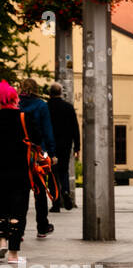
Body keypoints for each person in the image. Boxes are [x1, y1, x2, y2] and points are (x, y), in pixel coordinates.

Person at [17, 78, 56, 238]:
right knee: (40, 190)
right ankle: (42, 226)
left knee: (20, 192)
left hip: (19, 154)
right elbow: (47, 131)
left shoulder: (15, 105)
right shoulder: (41, 105)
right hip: (36, 154)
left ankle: (18, 229)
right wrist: (52, 153)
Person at [0, 82, 32, 263]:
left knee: (1, 208)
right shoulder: (23, 118)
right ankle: (13, 254)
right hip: (20, 172)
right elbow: (35, 140)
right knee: (18, 211)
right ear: (14, 98)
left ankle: (1, 241)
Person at [47, 82, 80, 211]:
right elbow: (75, 128)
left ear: (50, 93)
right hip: (66, 145)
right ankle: (65, 191)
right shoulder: (68, 107)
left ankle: (55, 203)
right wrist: (77, 147)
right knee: (64, 171)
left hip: (51, 145)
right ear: (61, 93)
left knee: (52, 173)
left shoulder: (46, 107)